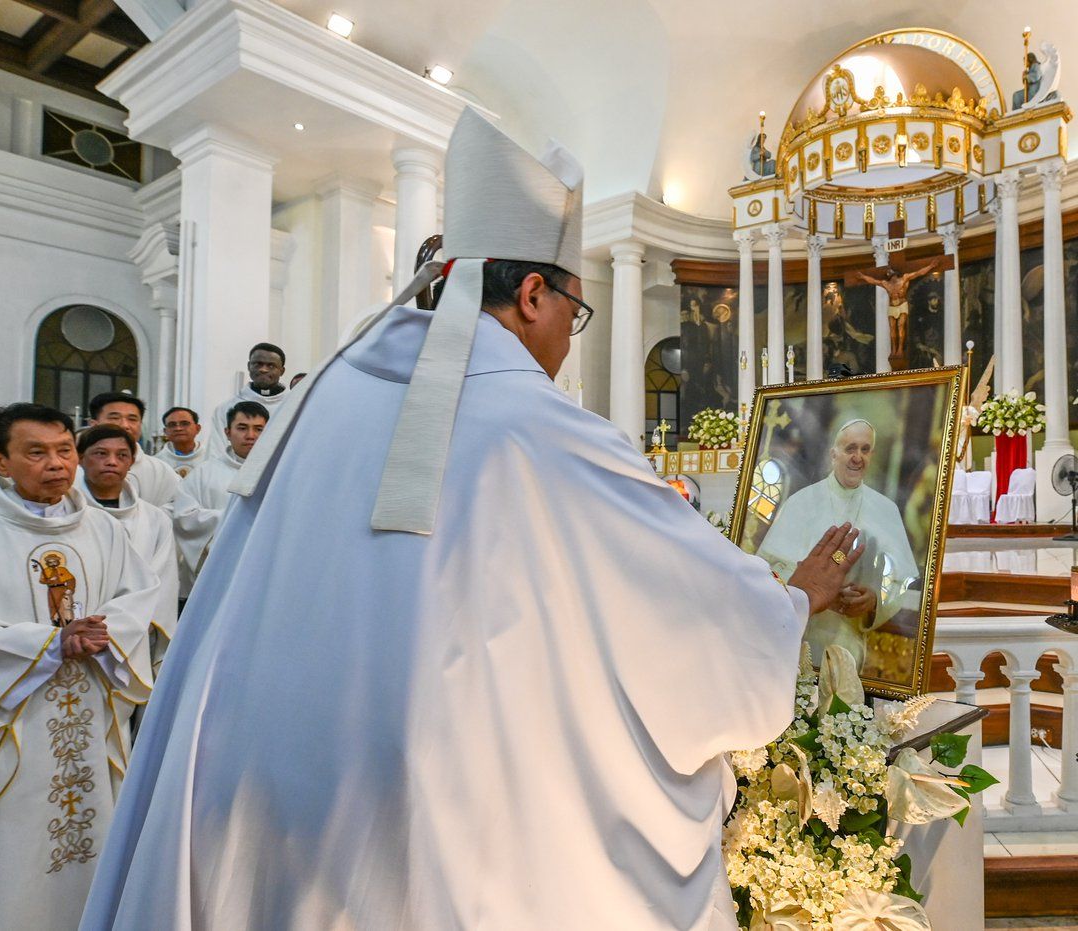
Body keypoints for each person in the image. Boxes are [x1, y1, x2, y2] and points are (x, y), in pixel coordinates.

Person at [81, 109, 864, 931]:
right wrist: (791, 600)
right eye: (575, 310)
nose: (569, 333)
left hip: (262, 806)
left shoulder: (324, 395)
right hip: (424, 823)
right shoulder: (540, 424)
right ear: (532, 293)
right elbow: (699, 627)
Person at [0, 403, 160, 931]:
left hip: (91, 708)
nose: (56, 463)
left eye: (64, 450)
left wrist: (105, 632)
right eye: (36, 452)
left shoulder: (104, 529)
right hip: (7, 724)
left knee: (89, 825)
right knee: (13, 845)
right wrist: (47, 645)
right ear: (1, 461)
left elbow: (139, 596)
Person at [756, 418, 919, 670]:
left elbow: (898, 579)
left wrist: (874, 601)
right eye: (850, 448)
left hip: (851, 644)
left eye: (865, 449)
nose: (858, 457)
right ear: (834, 454)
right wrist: (816, 592)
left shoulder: (886, 510)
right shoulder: (801, 503)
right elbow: (770, 569)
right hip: (802, 639)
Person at [78, 423, 179, 675]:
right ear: (80, 459)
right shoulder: (67, 516)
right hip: (73, 634)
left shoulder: (155, 520)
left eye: (121, 455)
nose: (111, 461)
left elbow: (162, 584)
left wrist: (119, 627)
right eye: (101, 454)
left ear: (132, 462)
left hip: (135, 634)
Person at [171, 401, 267, 596]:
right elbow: (184, 517)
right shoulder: (204, 473)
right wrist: (236, 519)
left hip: (264, 571)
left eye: (259, 429)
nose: (251, 436)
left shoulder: (278, 472)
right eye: (242, 428)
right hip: (217, 574)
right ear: (227, 432)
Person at [87, 391, 180, 507]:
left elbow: (177, 507)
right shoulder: (75, 467)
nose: (125, 425)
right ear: (93, 424)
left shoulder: (161, 471)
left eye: (132, 419)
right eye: (115, 418)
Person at [205, 342, 288, 458]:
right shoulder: (225, 409)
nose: (263, 369)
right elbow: (216, 453)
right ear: (249, 366)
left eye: (271, 366)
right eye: (258, 364)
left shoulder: (294, 406)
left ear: (282, 370)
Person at [153, 406, 205, 479]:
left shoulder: (210, 458)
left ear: (198, 428)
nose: (178, 428)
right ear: (165, 432)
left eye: (185, 423)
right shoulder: (156, 462)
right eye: (172, 425)